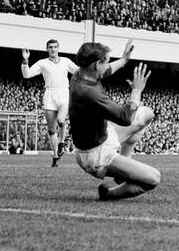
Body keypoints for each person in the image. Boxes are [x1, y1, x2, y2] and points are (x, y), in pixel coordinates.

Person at [22, 37, 134, 166]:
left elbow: (81, 71)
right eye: (50, 47)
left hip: (63, 92)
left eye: (55, 47)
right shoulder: (42, 63)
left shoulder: (65, 61)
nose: (53, 49)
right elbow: (27, 74)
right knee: (51, 130)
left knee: (61, 120)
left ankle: (62, 142)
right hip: (50, 94)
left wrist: (120, 62)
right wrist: (25, 61)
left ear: (58, 48)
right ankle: (55, 156)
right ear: (46, 49)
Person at [67, 43, 159, 200]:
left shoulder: (80, 73)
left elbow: (108, 70)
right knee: (153, 178)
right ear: (97, 64)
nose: (108, 65)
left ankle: (122, 170)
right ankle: (109, 193)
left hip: (104, 136)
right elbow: (125, 117)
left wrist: (124, 60)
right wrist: (136, 91)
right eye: (106, 61)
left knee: (147, 114)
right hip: (95, 155)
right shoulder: (88, 92)